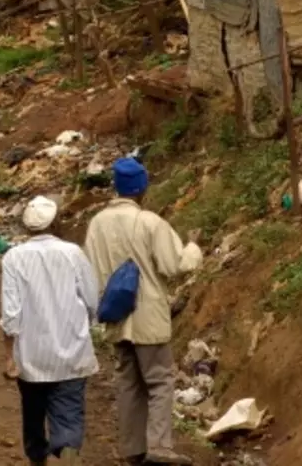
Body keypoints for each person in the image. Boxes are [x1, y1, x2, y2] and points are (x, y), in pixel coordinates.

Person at [83, 158, 201, 466]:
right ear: (142, 188)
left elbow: (90, 270)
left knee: (128, 382)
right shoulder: (149, 222)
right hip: (148, 316)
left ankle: (132, 448)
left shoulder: (97, 224)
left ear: (115, 187)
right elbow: (174, 264)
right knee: (160, 380)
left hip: (115, 315)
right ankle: (159, 446)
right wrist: (192, 246)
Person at [1, 195, 99, 465]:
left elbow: (11, 313)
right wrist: (87, 325)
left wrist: (9, 356)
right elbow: (91, 300)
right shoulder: (73, 254)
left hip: (31, 355)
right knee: (69, 413)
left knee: (33, 413)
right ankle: (67, 450)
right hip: (72, 352)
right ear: (55, 223)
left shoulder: (13, 258)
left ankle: (38, 456)